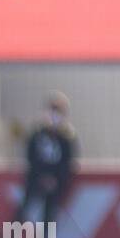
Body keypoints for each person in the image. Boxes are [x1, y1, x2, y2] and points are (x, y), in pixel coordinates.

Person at [17, 91, 77, 230]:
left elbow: (68, 162)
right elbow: (30, 157)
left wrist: (55, 179)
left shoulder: (67, 136)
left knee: (48, 219)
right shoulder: (37, 133)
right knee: (23, 212)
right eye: (52, 110)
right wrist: (41, 176)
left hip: (55, 183)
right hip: (35, 180)